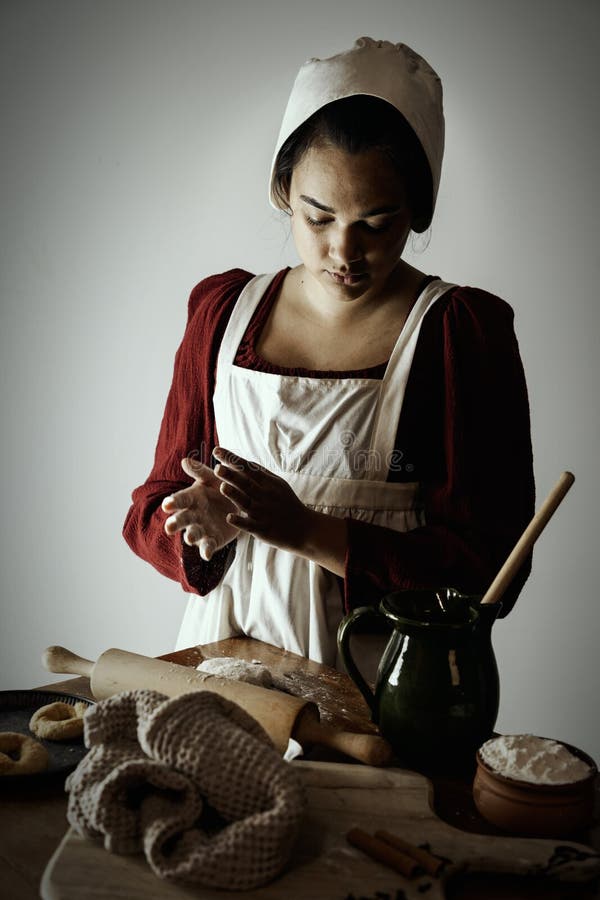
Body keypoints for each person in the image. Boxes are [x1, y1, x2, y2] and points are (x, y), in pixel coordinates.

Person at [123, 37, 535, 671]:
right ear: (284, 190)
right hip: (226, 667)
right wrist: (197, 529)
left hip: (384, 682)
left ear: (418, 210)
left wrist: (308, 531)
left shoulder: (458, 334)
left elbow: (490, 571)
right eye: (319, 217)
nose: (344, 252)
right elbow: (150, 508)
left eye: (376, 223)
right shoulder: (222, 315)